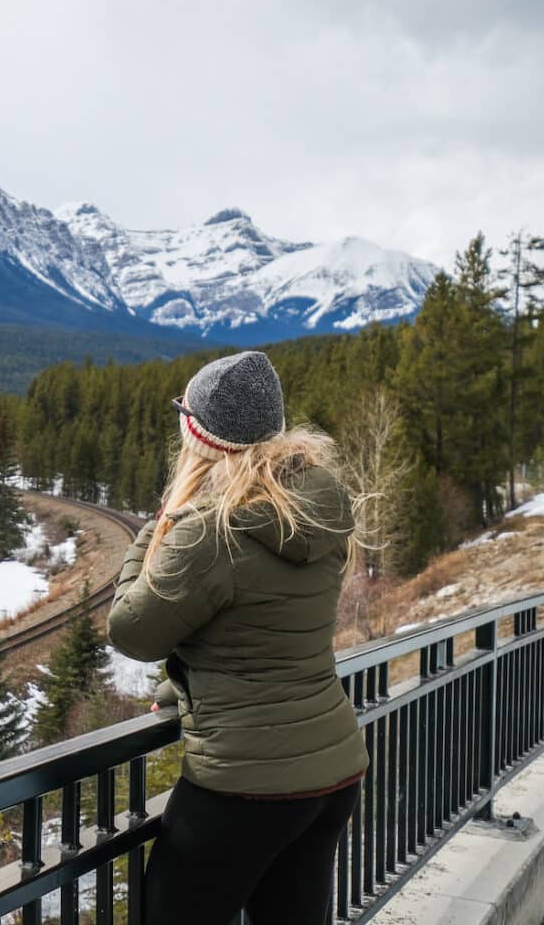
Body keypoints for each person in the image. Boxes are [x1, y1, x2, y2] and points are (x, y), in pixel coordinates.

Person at [108, 350, 368, 924]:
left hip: (243, 784)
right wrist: (189, 685)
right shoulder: (316, 504)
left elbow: (131, 631)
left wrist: (157, 528)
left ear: (200, 439)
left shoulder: (208, 531)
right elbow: (265, 630)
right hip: (331, 772)